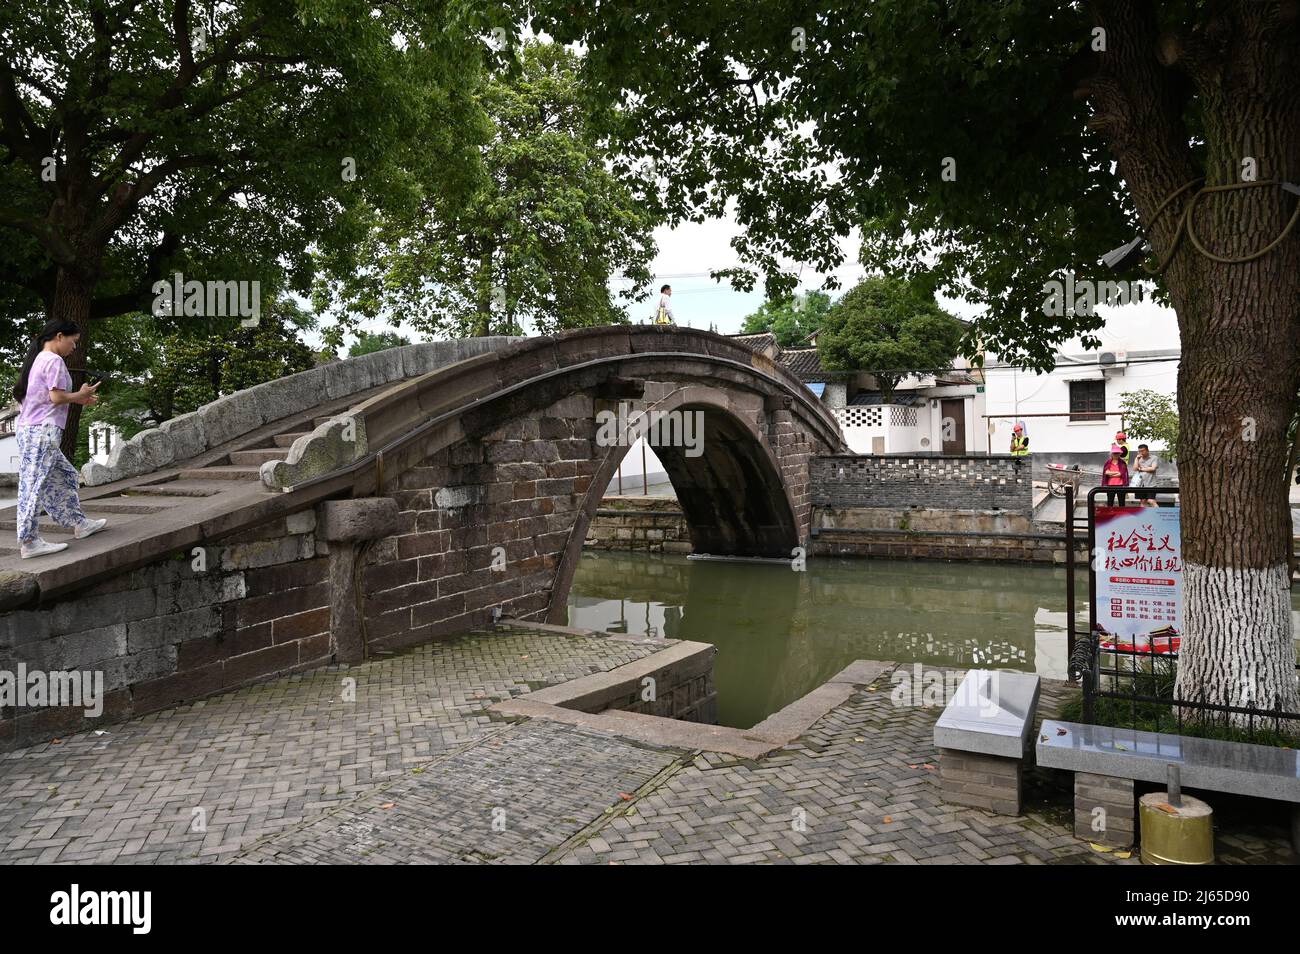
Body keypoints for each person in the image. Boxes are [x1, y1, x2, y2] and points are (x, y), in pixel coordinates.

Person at [12, 319, 107, 559]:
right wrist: (81, 393)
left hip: (32, 430)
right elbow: (55, 398)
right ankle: (30, 541)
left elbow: (48, 398)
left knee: (64, 476)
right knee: (32, 484)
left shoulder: (39, 360)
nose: (74, 348)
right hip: (41, 431)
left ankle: (79, 523)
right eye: (73, 342)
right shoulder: (53, 360)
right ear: (60, 336)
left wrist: (78, 398)